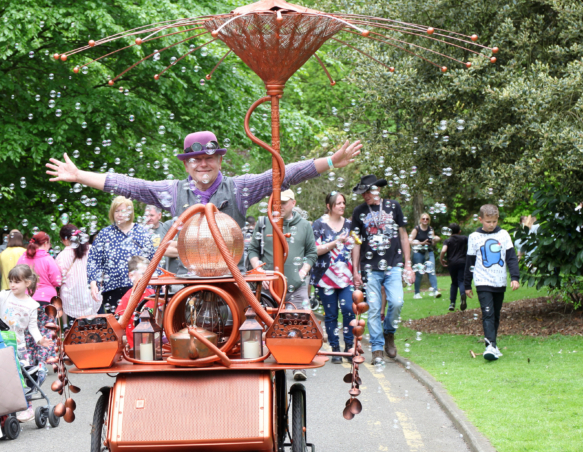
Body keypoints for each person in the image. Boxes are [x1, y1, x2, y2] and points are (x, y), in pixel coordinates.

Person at [46, 130, 362, 231]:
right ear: (187, 164)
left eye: (209, 157)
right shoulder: (171, 191)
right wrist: (78, 176)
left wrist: (333, 160)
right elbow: (128, 185)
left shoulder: (240, 188)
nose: (203, 164)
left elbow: (286, 172)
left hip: (232, 281)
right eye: (195, 159)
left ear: (220, 160)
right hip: (183, 281)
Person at [247, 189, 317, 381]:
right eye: (277, 202)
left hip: (296, 287)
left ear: (293, 203)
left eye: (284, 202)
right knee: (267, 325)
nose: (280, 206)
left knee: (299, 324)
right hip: (269, 288)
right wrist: (261, 273)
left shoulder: (304, 226)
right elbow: (252, 251)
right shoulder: (263, 224)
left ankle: (298, 366)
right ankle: (266, 364)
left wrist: (301, 273)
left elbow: (312, 253)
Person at [350, 175, 414, 364]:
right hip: (370, 268)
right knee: (374, 308)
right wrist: (355, 270)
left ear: (378, 189)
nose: (365, 196)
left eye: (368, 191)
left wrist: (408, 264)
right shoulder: (359, 211)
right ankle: (377, 349)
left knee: (397, 301)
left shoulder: (393, 206)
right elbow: (356, 242)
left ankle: (389, 332)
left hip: (393, 265)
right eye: (363, 193)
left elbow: (403, 236)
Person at [0, 264, 49, 421]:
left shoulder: (32, 305)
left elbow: (33, 328)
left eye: (16, 282)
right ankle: (3, 408)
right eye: (10, 281)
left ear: (27, 283)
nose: (12, 285)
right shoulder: (4, 296)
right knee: (0, 377)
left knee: (22, 377)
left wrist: (40, 340)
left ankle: (28, 407)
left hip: (19, 348)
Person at [463, 204, 520, 361]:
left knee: (495, 314)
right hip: (482, 281)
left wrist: (515, 277)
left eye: (494, 221)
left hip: (499, 281)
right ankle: (489, 345)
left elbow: (511, 258)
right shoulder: (474, 237)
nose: (491, 225)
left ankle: (493, 345)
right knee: (487, 313)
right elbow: (470, 261)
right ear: (481, 219)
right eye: (488, 221)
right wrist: (467, 284)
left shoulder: (503, 235)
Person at [87, 196, 155, 314]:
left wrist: (158, 282)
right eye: (116, 211)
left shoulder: (141, 232)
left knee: (140, 324)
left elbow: (153, 259)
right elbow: (94, 260)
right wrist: (93, 283)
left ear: (130, 212)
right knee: (116, 326)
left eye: (123, 211)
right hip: (113, 289)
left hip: (139, 287)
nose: (119, 214)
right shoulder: (105, 234)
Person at [311, 191, 355, 364]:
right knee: (330, 315)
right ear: (329, 206)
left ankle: (349, 348)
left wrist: (357, 272)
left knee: (349, 311)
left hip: (346, 277)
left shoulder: (350, 225)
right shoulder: (319, 225)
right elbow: (315, 250)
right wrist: (335, 243)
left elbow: (355, 248)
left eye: (343, 202)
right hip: (325, 278)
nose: (342, 206)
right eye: (338, 203)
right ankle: (335, 349)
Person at [56, 224, 100, 319]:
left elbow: (58, 280)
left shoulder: (61, 256)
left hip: (71, 300)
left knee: (76, 332)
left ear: (64, 239)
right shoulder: (91, 249)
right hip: (91, 297)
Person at [114, 256, 157, 345]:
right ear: (131, 276)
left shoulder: (152, 293)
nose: (147, 277)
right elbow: (119, 324)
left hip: (153, 343)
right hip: (135, 346)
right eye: (143, 274)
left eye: (149, 274)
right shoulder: (127, 298)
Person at [18, 232, 62, 305]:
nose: (49, 247)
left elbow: (17, 278)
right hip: (46, 300)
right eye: (49, 244)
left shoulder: (22, 258)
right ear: (45, 243)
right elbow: (57, 281)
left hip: (25, 298)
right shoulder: (48, 259)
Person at [409, 213, 442, 299]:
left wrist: (436, 240)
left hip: (428, 251)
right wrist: (421, 243)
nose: (425, 220)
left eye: (427, 219)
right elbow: (410, 241)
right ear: (420, 220)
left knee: (431, 270)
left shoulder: (430, 229)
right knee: (419, 272)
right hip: (418, 252)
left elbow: (433, 242)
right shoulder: (417, 229)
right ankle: (416, 293)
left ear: (429, 220)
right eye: (423, 218)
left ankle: (435, 291)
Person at [440, 223, 469, 311]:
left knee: (454, 283)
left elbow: (443, 250)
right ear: (459, 231)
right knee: (461, 280)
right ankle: (463, 295)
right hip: (463, 262)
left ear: (449, 232)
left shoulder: (448, 240)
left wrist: (441, 259)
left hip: (452, 263)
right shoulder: (464, 238)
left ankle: (452, 303)